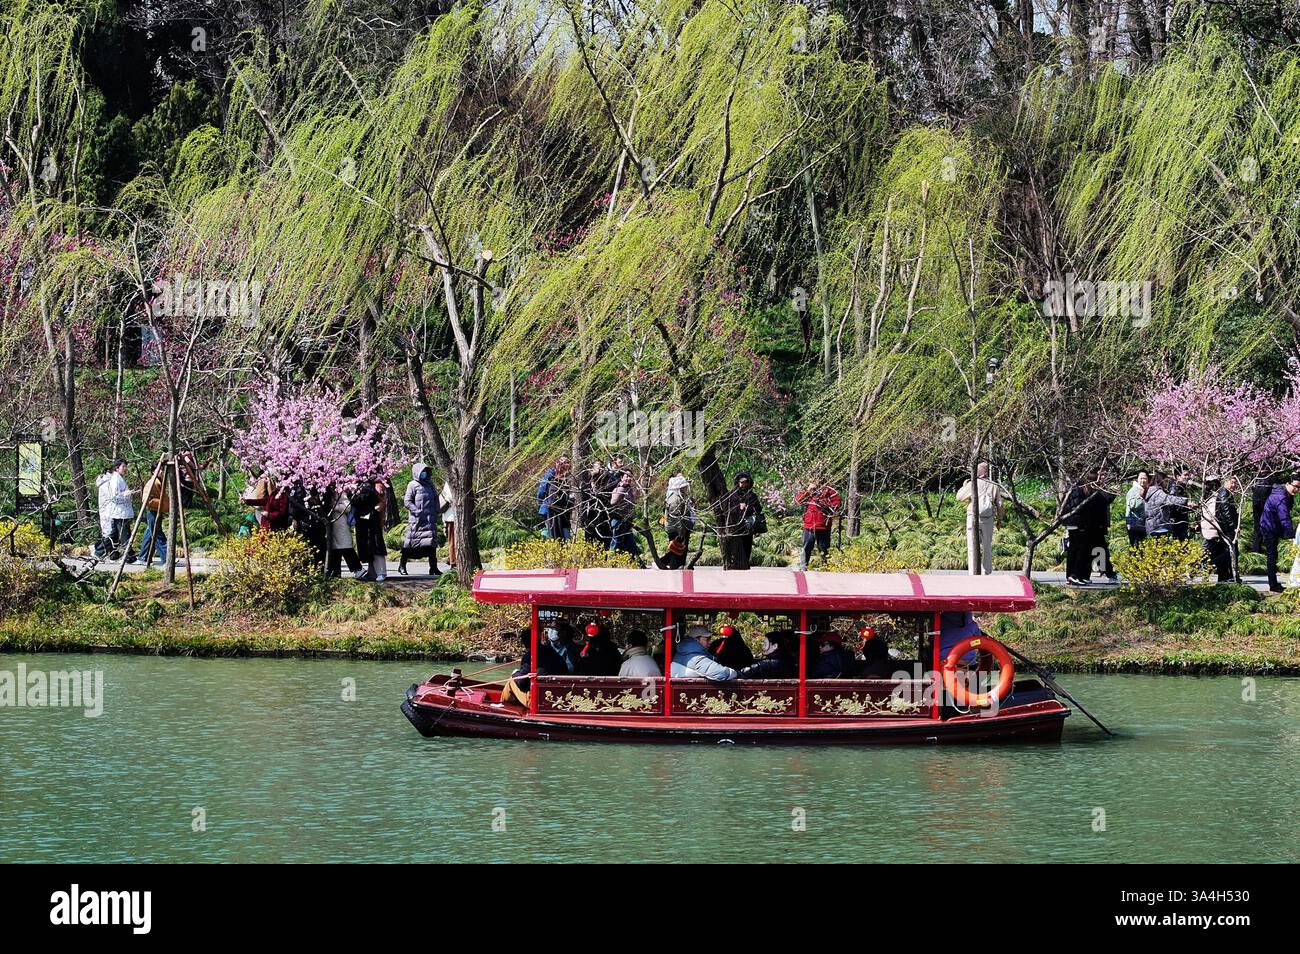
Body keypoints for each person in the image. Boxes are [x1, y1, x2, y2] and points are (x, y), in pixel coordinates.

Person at [955, 462, 1002, 575]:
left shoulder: (972, 484)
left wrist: (964, 485)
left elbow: (959, 497)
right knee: (987, 545)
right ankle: (987, 572)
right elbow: (999, 504)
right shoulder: (994, 485)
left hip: (972, 517)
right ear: (987, 472)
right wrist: (999, 519)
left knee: (971, 546)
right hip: (988, 518)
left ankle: (973, 572)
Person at [717, 472, 764, 570]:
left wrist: (748, 507)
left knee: (747, 546)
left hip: (747, 526)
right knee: (735, 546)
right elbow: (727, 509)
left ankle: (745, 563)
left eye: (745, 482)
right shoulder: (732, 495)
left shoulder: (752, 495)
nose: (743, 484)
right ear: (738, 483)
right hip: (735, 525)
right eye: (741, 482)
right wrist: (739, 507)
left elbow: (758, 509)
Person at [399, 462, 440, 575]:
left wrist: (436, 510)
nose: (424, 474)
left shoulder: (430, 485)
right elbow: (407, 501)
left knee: (431, 544)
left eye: (426, 471)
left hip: (429, 520)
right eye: (422, 471)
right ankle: (402, 565)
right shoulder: (412, 485)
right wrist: (417, 511)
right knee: (411, 544)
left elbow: (436, 498)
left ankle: (433, 568)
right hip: (417, 521)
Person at [1259, 477, 1298, 593]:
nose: (1297, 489)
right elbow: (1284, 518)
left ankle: (1274, 583)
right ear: (1287, 483)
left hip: (1272, 526)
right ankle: (1273, 585)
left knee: (1273, 556)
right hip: (1269, 528)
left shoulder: (1284, 493)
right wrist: (1291, 535)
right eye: (1295, 486)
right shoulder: (1280, 497)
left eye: (1299, 488)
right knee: (1272, 556)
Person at [95, 458, 137, 562]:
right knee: (124, 535)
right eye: (123, 466)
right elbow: (114, 496)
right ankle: (130, 556)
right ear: (117, 468)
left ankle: (100, 552)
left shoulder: (118, 478)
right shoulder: (115, 479)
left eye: (125, 466)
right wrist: (128, 494)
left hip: (120, 512)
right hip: (119, 512)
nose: (125, 468)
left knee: (114, 535)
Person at [351, 478, 393, 582]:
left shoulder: (374, 486)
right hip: (363, 520)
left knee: (376, 547)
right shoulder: (358, 487)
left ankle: (381, 572)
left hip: (371, 520)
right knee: (369, 547)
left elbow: (380, 501)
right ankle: (373, 572)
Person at [1201, 476, 1240, 583]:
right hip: (1215, 531)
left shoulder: (1208, 497)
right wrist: (1232, 528)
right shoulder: (1218, 496)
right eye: (1231, 482)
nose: (1234, 485)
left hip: (1211, 530)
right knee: (1226, 555)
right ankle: (1208, 568)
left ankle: (1225, 578)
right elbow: (1222, 515)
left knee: (1216, 555)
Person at [795, 479, 841, 570]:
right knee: (806, 546)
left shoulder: (829, 490)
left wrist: (823, 501)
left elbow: (837, 505)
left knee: (824, 548)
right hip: (809, 525)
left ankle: (825, 567)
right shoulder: (807, 490)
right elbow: (798, 501)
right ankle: (803, 566)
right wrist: (808, 491)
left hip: (824, 525)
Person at [670, 625, 739, 681]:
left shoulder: (685, 651)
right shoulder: (695, 657)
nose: (710, 641)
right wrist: (737, 673)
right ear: (696, 639)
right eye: (707, 639)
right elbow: (721, 673)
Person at [663, 473, 696, 569]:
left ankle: (679, 564)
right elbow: (675, 517)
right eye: (684, 485)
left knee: (680, 548)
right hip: (676, 528)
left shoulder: (681, 495)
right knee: (675, 548)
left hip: (682, 526)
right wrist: (680, 530)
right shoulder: (675, 498)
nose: (686, 487)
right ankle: (671, 564)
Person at [326, 488, 361, 577]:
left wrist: (334, 506)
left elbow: (347, 507)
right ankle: (336, 572)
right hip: (333, 525)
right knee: (336, 549)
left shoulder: (341, 493)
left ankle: (358, 569)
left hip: (341, 524)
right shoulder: (329, 493)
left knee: (345, 547)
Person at [1144, 473, 1190, 541]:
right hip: (1159, 526)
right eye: (1166, 481)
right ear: (1161, 481)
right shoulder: (1158, 493)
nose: (1167, 484)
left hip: (1152, 526)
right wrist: (1186, 501)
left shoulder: (1150, 491)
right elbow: (1170, 499)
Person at [138, 465, 169, 565]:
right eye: (159, 469)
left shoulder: (159, 481)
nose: (161, 471)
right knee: (158, 535)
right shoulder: (152, 482)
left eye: (162, 469)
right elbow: (146, 500)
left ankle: (143, 557)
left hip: (157, 511)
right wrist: (162, 504)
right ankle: (167, 558)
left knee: (150, 535)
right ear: (153, 471)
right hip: (153, 511)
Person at [608, 471, 641, 559]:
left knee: (630, 544)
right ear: (621, 477)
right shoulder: (619, 489)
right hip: (618, 520)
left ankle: (638, 563)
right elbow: (612, 503)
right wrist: (621, 492)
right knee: (616, 543)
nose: (628, 478)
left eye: (630, 476)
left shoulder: (630, 490)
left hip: (627, 520)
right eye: (626, 476)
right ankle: (609, 563)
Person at [538, 457, 570, 539]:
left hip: (563, 510)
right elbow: (542, 491)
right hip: (551, 509)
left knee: (565, 533)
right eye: (562, 463)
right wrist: (541, 504)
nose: (565, 465)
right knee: (552, 533)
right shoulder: (551, 474)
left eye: (567, 463)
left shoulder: (568, 477)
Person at [1168, 469, 1195, 540]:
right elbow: (1172, 504)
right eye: (1185, 475)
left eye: (1188, 475)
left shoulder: (1182, 487)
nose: (1187, 477)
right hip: (1176, 521)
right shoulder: (1174, 488)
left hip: (1182, 520)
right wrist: (1187, 504)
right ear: (1178, 476)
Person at [1125, 471, 1150, 548]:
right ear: (1137, 479)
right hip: (1134, 524)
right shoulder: (1134, 490)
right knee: (1136, 547)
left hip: (1141, 524)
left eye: (1145, 478)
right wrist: (1141, 497)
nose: (1143, 480)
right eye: (1141, 478)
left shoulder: (1143, 489)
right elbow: (1133, 505)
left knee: (1142, 547)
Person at [439, 479, 456, 567]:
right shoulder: (450, 481)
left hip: (451, 516)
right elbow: (450, 498)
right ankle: (453, 561)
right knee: (453, 540)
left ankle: (452, 558)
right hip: (451, 517)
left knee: (453, 540)